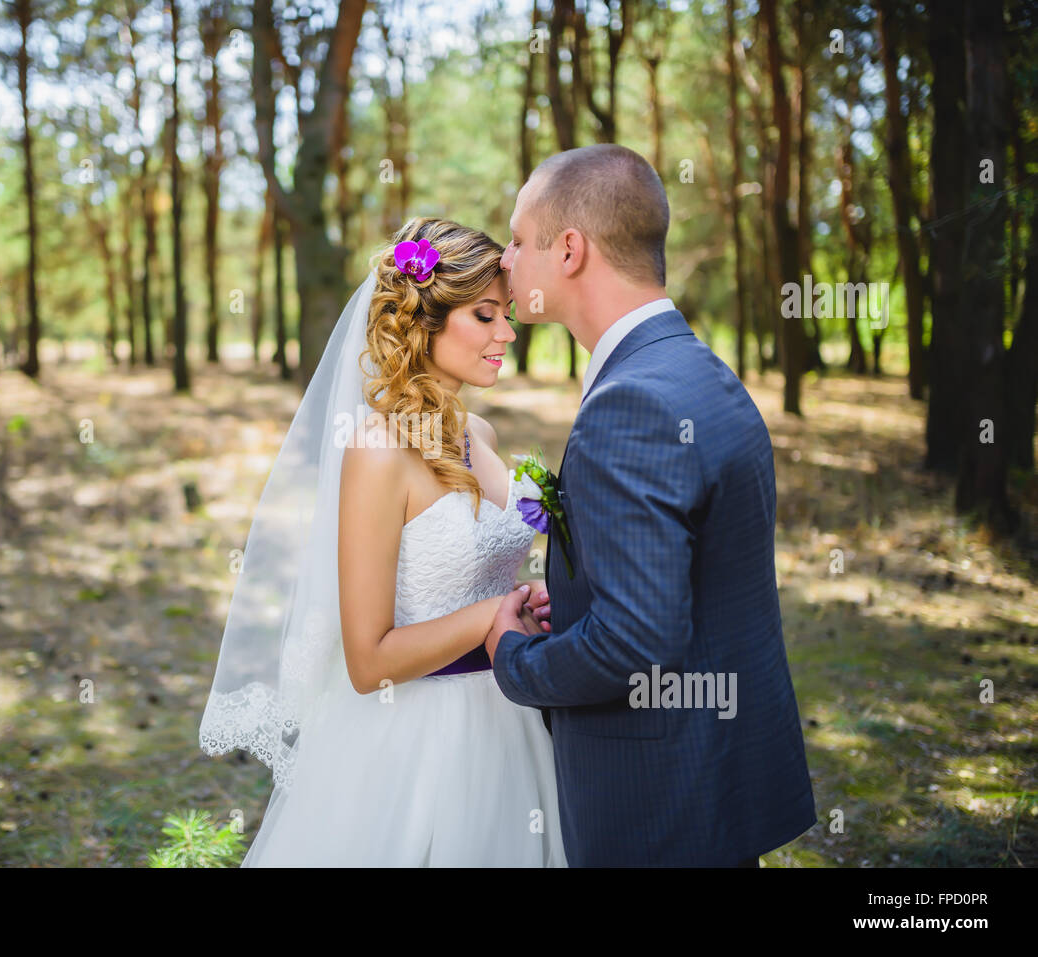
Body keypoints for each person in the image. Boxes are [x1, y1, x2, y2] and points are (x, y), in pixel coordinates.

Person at [484, 143, 817, 866]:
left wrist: (515, 657)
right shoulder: (699, 371)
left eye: (517, 239)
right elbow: (686, 581)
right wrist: (576, 592)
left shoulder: (630, 401)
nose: (505, 261)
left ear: (569, 249)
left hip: (656, 804)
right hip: (718, 781)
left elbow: (635, 641)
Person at [199, 217, 565, 866]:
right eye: (485, 316)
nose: (508, 333)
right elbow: (367, 662)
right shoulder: (375, 449)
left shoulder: (477, 431)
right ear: (425, 321)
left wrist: (525, 602)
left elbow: (479, 571)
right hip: (419, 734)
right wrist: (490, 615)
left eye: (506, 313)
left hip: (510, 715)